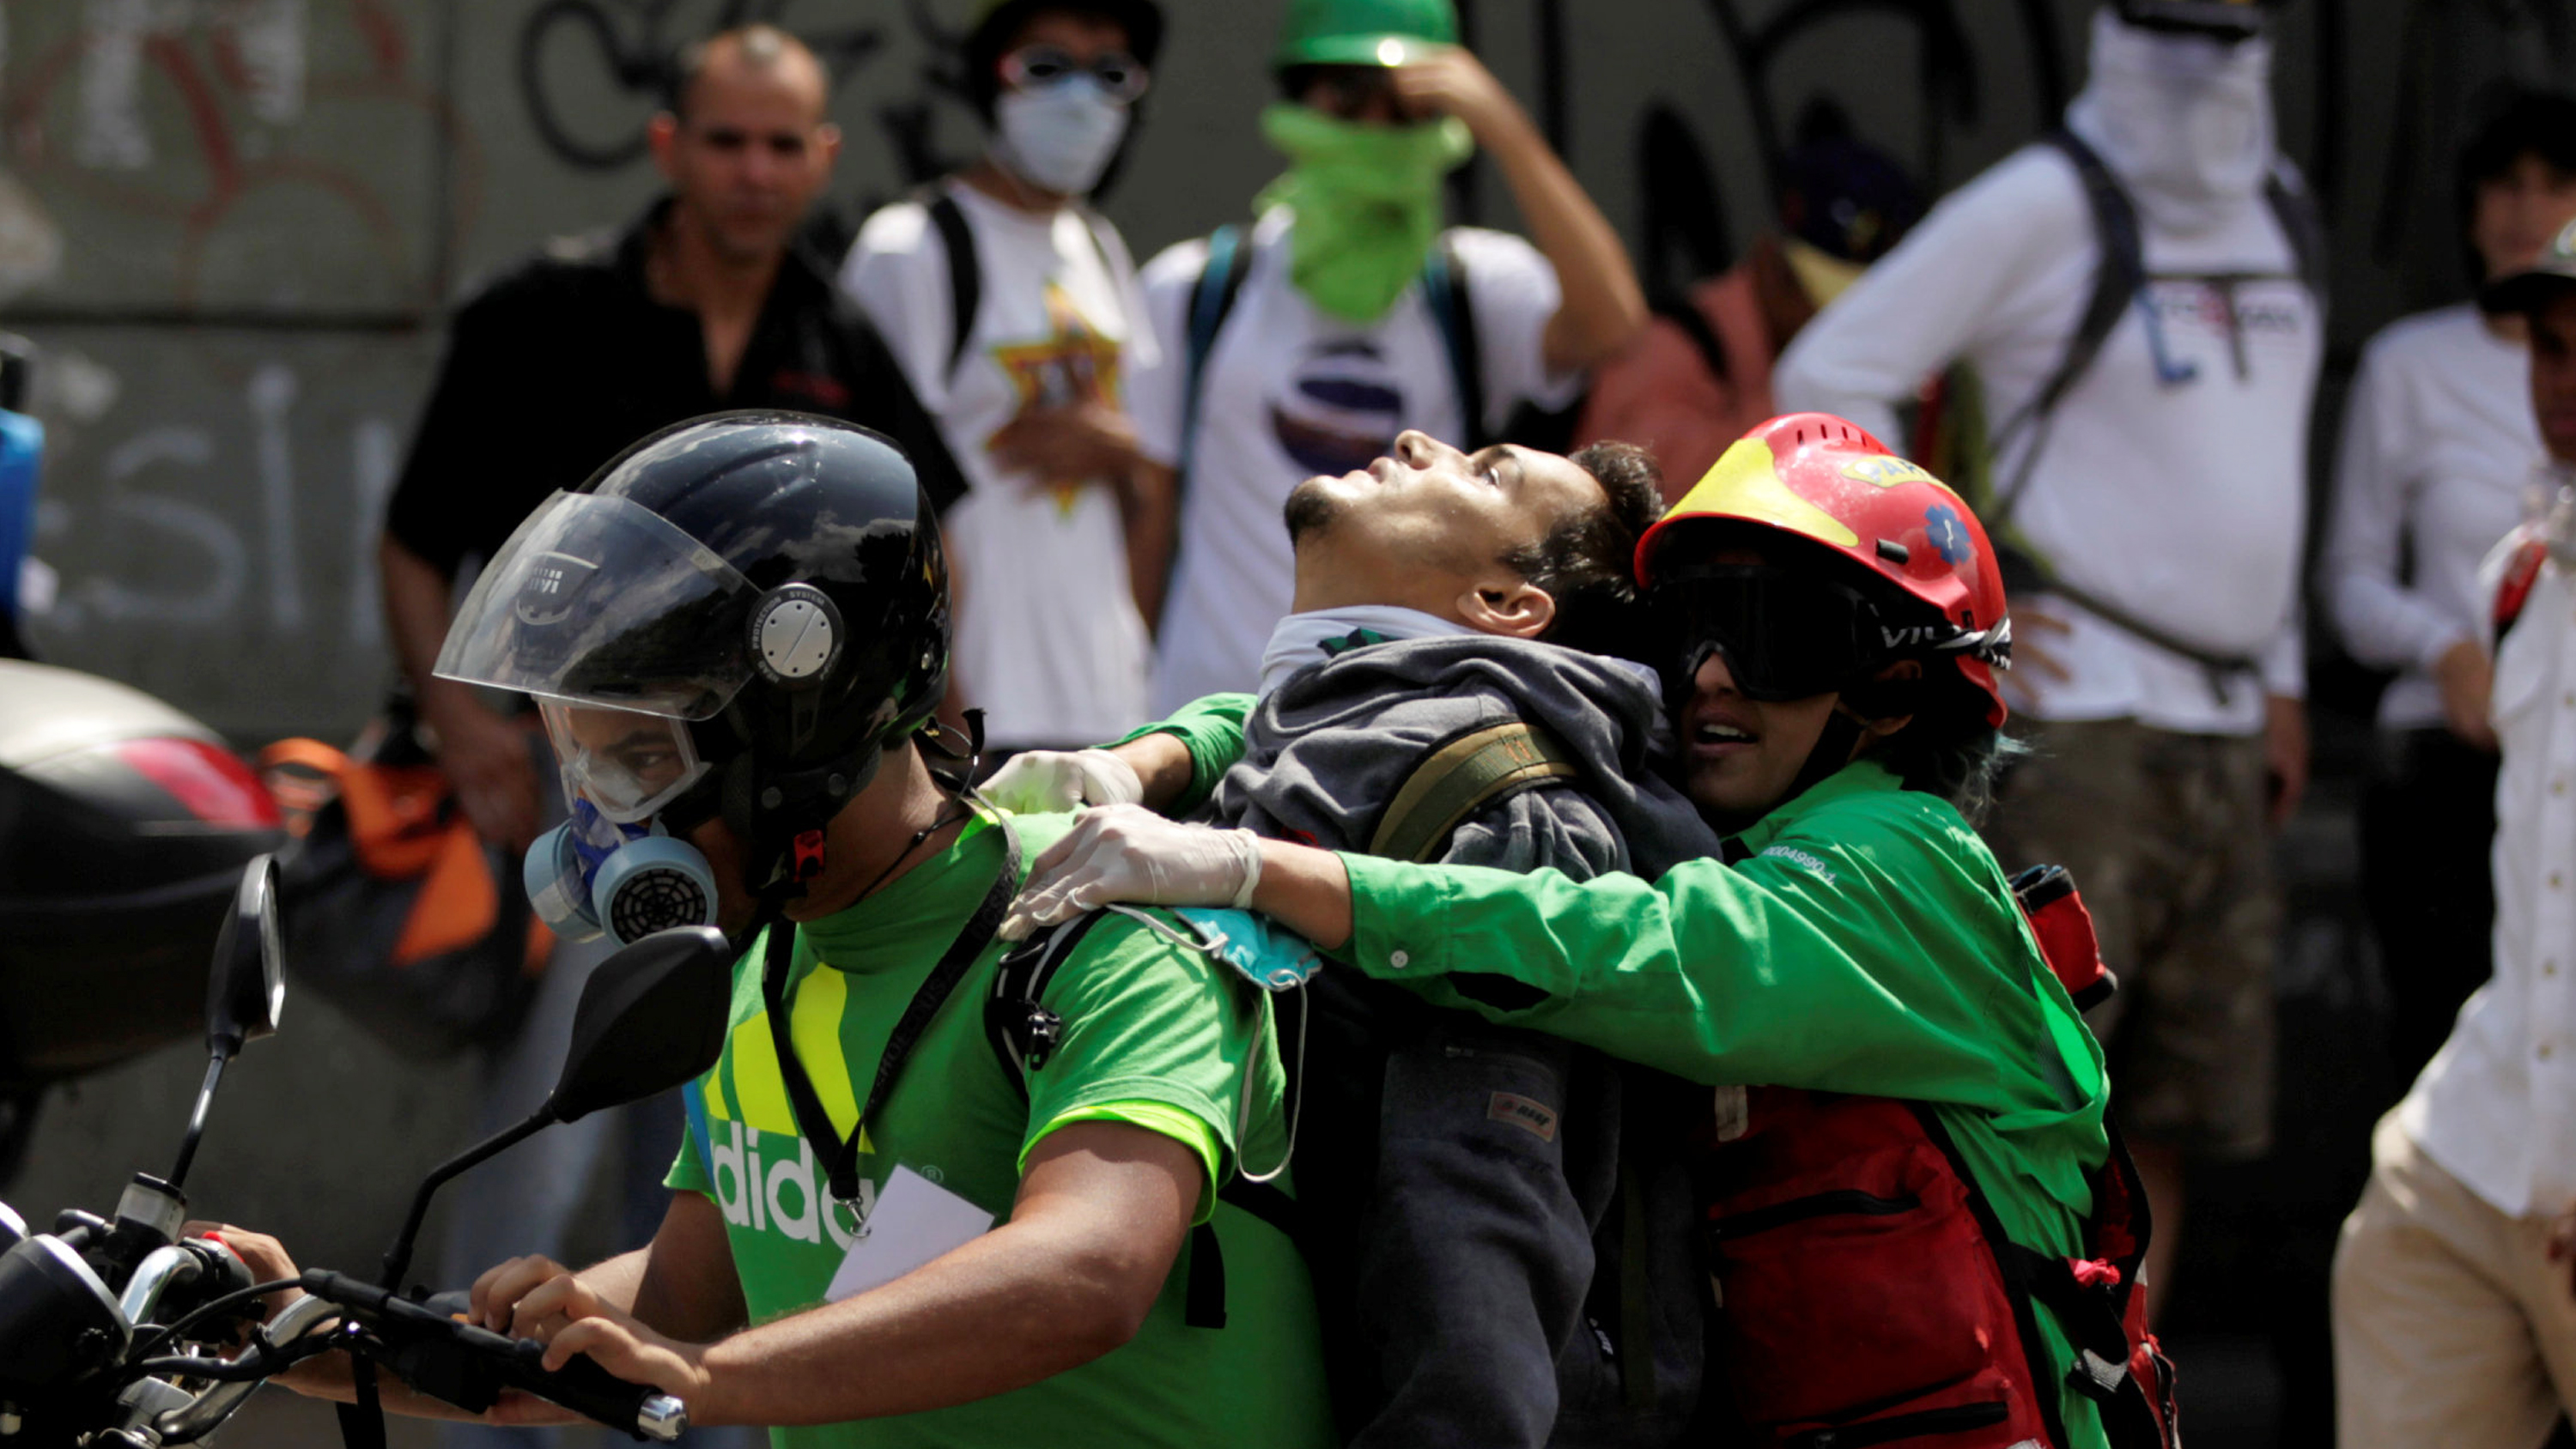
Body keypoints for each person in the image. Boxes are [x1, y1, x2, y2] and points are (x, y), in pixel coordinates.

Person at [1010, 414, 2179, 1449]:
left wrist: (1256, 868)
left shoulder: (1904, 868)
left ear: (1890, 694)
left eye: (1771, 636)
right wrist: (1161, 753)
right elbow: (1361, 695)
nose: (1713, 676)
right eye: (1691, 633)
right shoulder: (1722, 814)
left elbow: (1624, 948)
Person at [217, 412, 1334, 1449]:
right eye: (584, 768)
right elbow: (671, 1305)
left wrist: (706, 1379)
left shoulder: (1098, 925)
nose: (604, 830)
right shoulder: (765, 966)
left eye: (645, 762)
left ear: (812, 734)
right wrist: (311, 1336)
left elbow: (1092, 1267)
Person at [373, 27, 964, 1446]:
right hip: (596, 810)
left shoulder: (839, 334)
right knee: (534, 1164)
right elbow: (412, 538)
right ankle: (481, 1422)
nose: (754, 173)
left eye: (783, 147)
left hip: (760, 834)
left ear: (823, 161)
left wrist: (922, 743)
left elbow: (930, 551)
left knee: (704, 1177)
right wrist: (481, 740)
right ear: (669, 146)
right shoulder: (541, 311)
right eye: (727, 141)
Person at [1773, 0, 2321, 1319]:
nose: (2206, 45)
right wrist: (1958, 602)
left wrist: (2285, 668)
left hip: (2232, 719)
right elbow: (1831, 365)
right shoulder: (2043, 204)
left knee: (2172, 1114)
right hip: (2089, 728)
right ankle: (2017, 1380)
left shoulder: (2281, 203)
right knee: (2036, 1085)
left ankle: (2123, 1385)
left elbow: (2265, 456)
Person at [1000, 430, 1704, 1446]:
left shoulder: (1507, 804)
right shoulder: (1327, 737)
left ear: (1505, 607)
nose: (1421, 440)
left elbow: (1475, 1239)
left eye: (1486, 471)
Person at [1128, 0, 1647, 713]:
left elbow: (1613, 324)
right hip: (1193, 707)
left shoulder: (1476, 287)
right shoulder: (1194, 288)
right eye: (1347, 95)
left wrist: (1505, 128)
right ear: (1297, 98)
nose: (1376, 127)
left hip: (1385, 717)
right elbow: (1149, 517)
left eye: (1406, 107)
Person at [2330, 218, 2576, 1449]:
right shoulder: (2520, 580)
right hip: (2478, 1153)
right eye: (2550, 347)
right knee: (2387, 1255)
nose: (2566, 383)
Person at [841, 0, 1176, 761]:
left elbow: (1148, 482)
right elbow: (888, 498)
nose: (1080, 98)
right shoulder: (911, 249)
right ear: (990, 79)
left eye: (1111, 73)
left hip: (1113, 714)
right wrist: (941, 715)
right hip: (978, 715)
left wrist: (1116, 448)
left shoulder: (1100, 244)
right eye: (1046, 66)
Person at [2321, 89, 2576, 1084]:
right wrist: (2448, 648)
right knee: (2442, 1059)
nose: (2524, 209)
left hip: (2559, 765)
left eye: (2554, 185)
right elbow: (2346, 580)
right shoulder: (2408, 363)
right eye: (2503, 184)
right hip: (2444, 767)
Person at [1575, 113, 1924, 498]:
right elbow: (1638, 494)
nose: (1842, 328)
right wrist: (1814, 393)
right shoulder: (1664, 349)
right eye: (1827, 302)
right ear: (1770, 262)